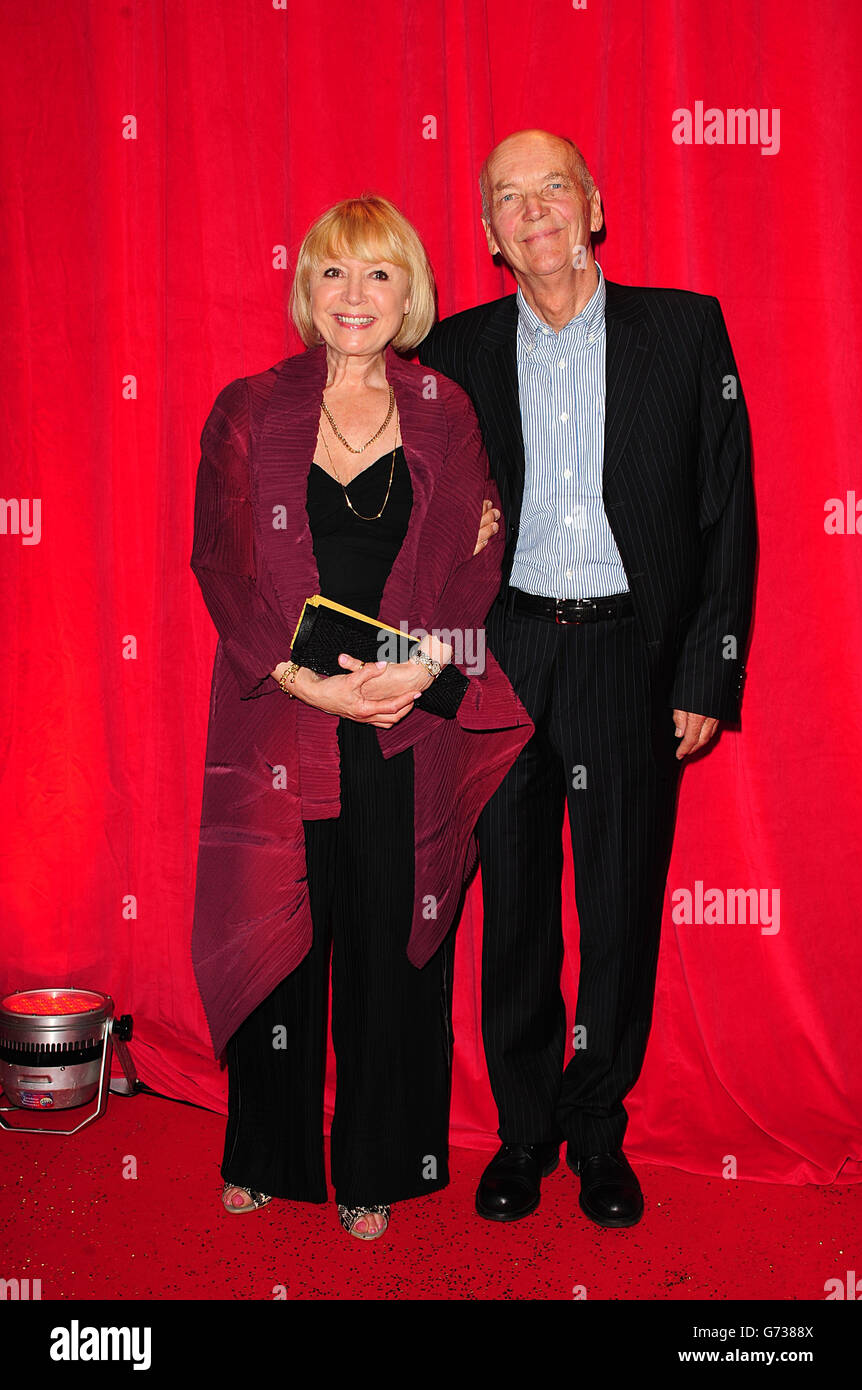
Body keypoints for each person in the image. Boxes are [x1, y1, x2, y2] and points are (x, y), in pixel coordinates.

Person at [418, 129, 757, 1227]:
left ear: (592, 203)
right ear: (488, 236)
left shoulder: (683, 327)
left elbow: (725, 511)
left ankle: (598, 1134)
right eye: (507, 200)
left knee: (616, 905)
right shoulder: (458, 351)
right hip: (506, 653)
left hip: (627, 652)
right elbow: (422, 509)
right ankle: (522, 1137)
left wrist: (707, 666)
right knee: (512, 905)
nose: (533, 211)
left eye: (550, 188)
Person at [189, 194, 532, 1239]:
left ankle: (379, 1157)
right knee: (280, 932)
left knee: (390, 941)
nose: (354, 295)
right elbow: (221, 562)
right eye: (333, 273)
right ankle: (263, 1149)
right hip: (279, 709)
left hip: (402, 710)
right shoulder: (247, 406)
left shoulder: (442, 407)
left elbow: (479, 554)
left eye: (378, 274)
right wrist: (308, 683)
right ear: (307, 290)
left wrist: (418, 661)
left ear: (409, 294)